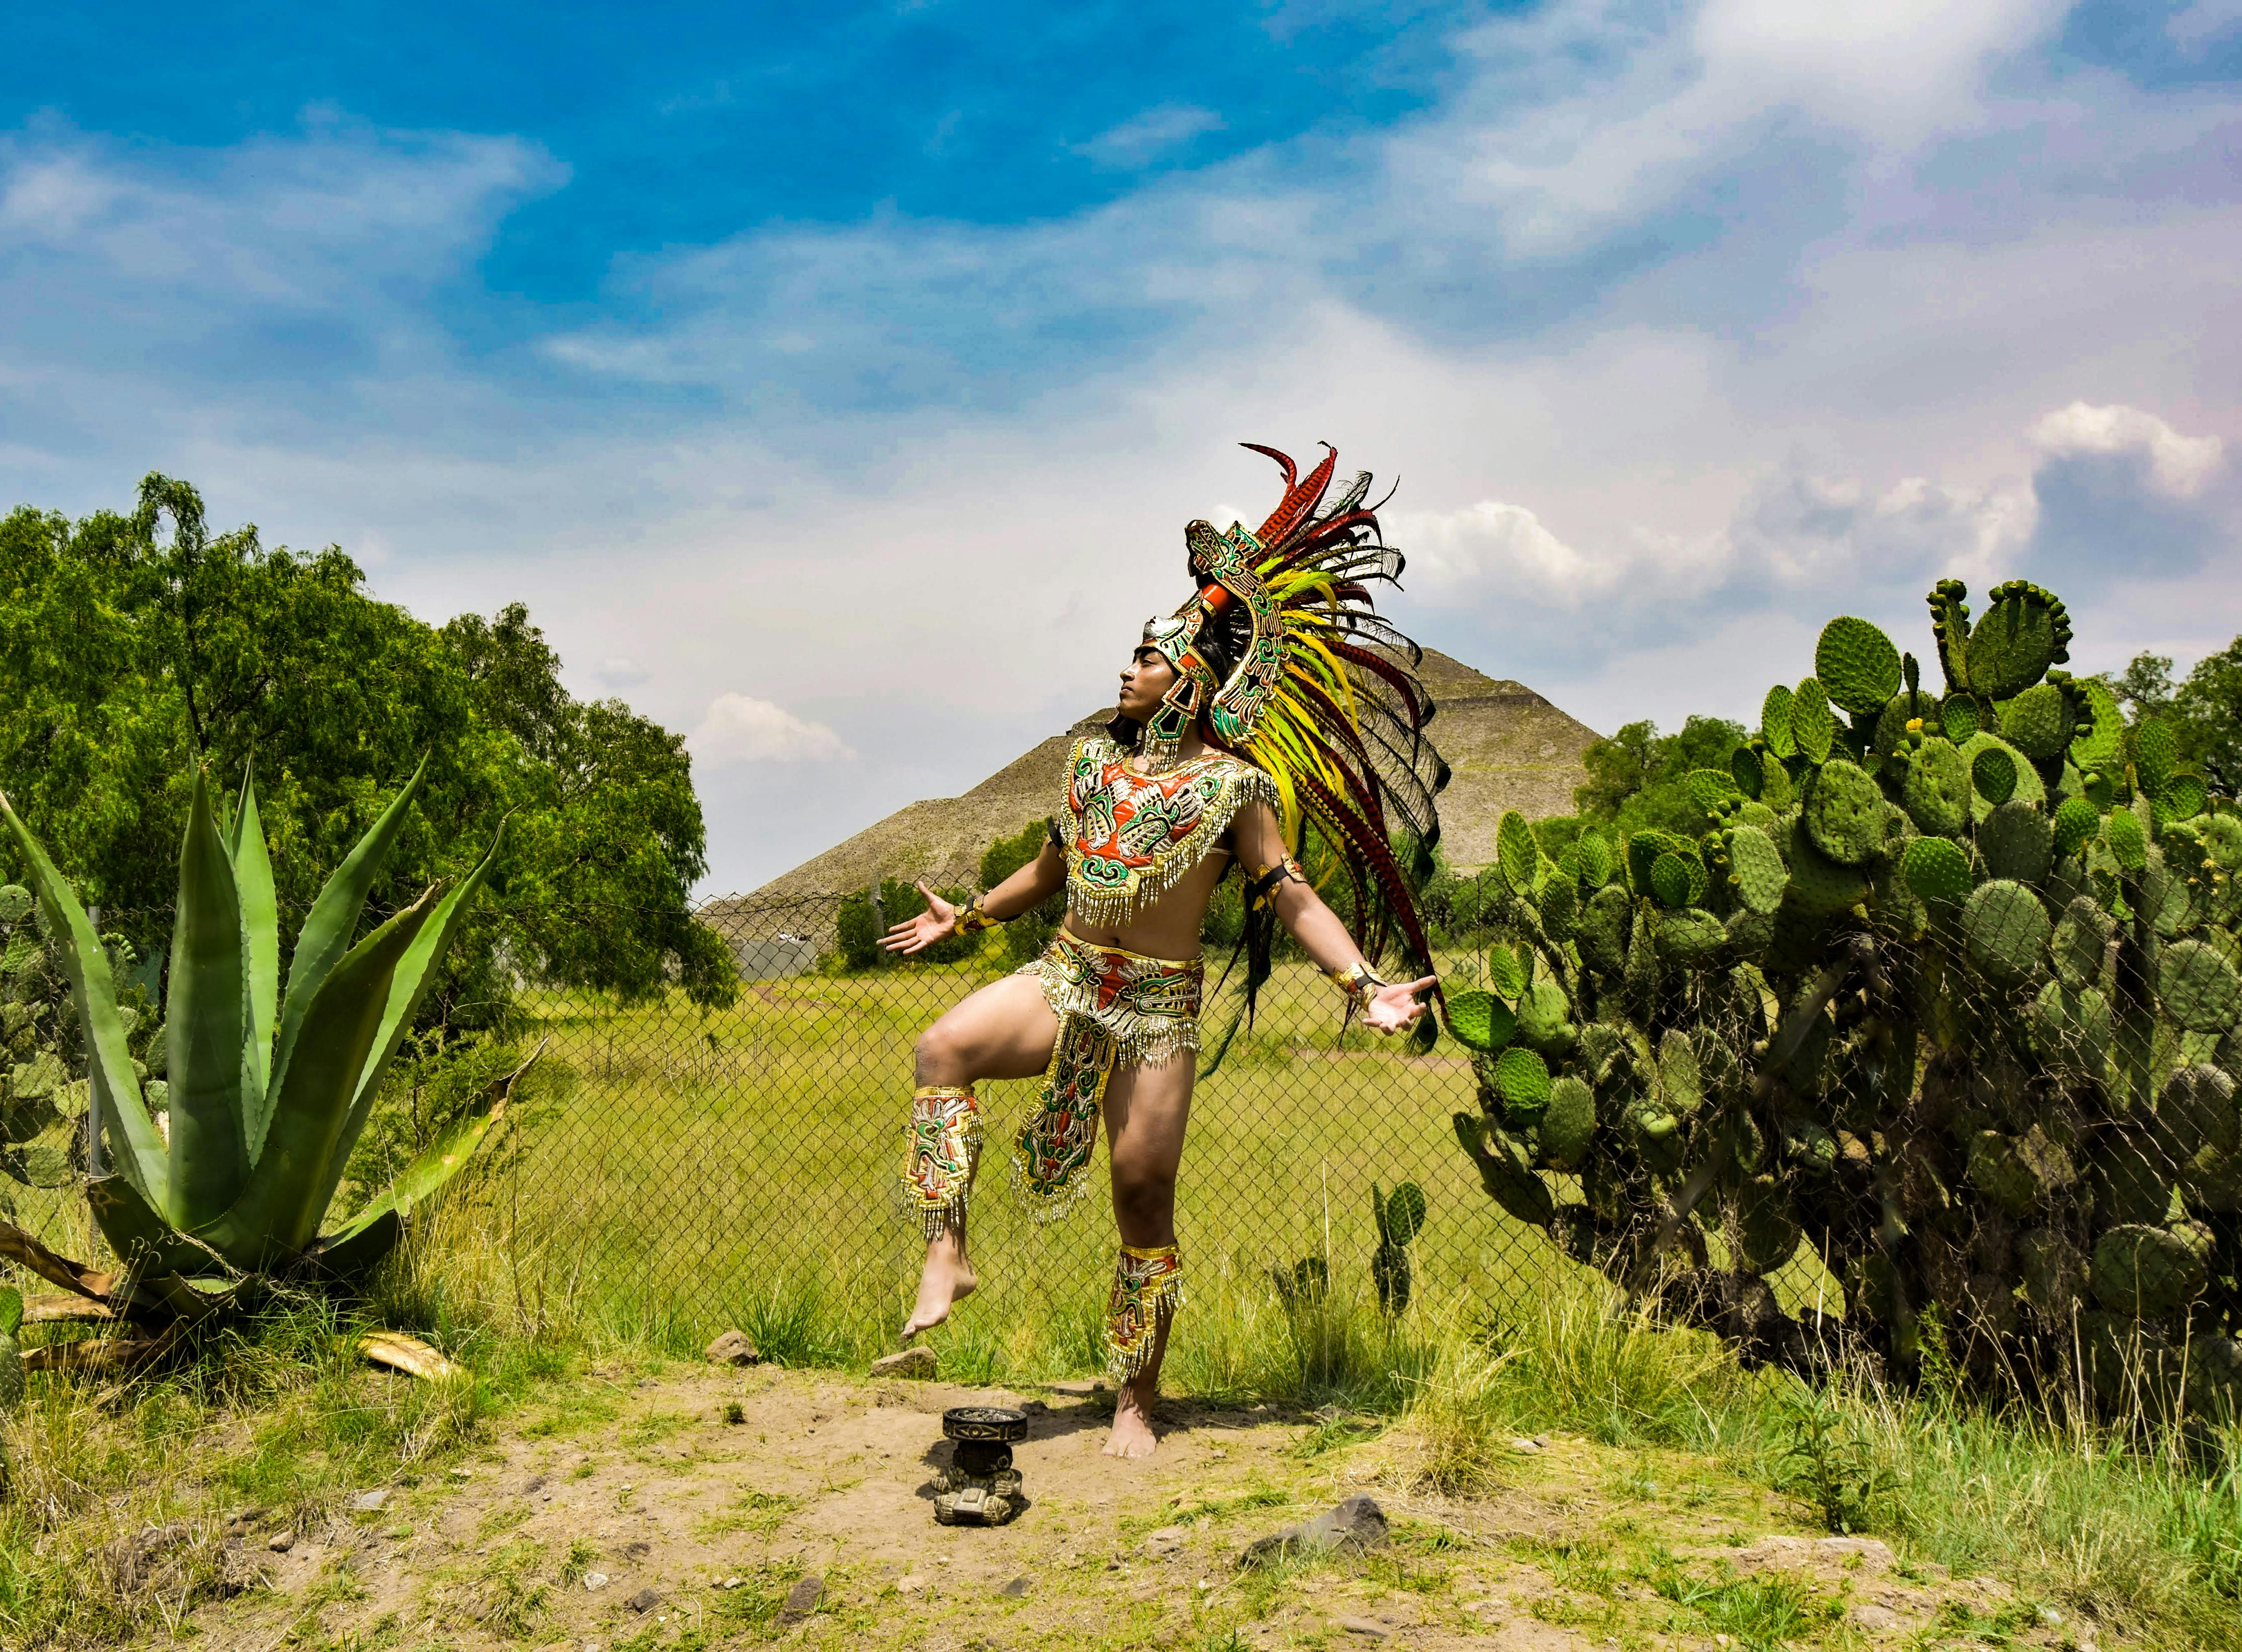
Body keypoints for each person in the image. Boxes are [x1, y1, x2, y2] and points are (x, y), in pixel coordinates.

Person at [880, 442, 1449, 1459]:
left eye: (1143, 657)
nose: (1123, 670)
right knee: (941, 1049)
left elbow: (1290, 894)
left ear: (1189, 674)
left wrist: (1359, 981)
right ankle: (948, 1252)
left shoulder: (1234, 790)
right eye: (1130, 656)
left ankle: (1135, 1397)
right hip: (1064, 976)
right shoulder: (1091, 759)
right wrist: (964, 916)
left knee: (1141, 1194)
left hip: (1154, 1012)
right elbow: (1050, 870)